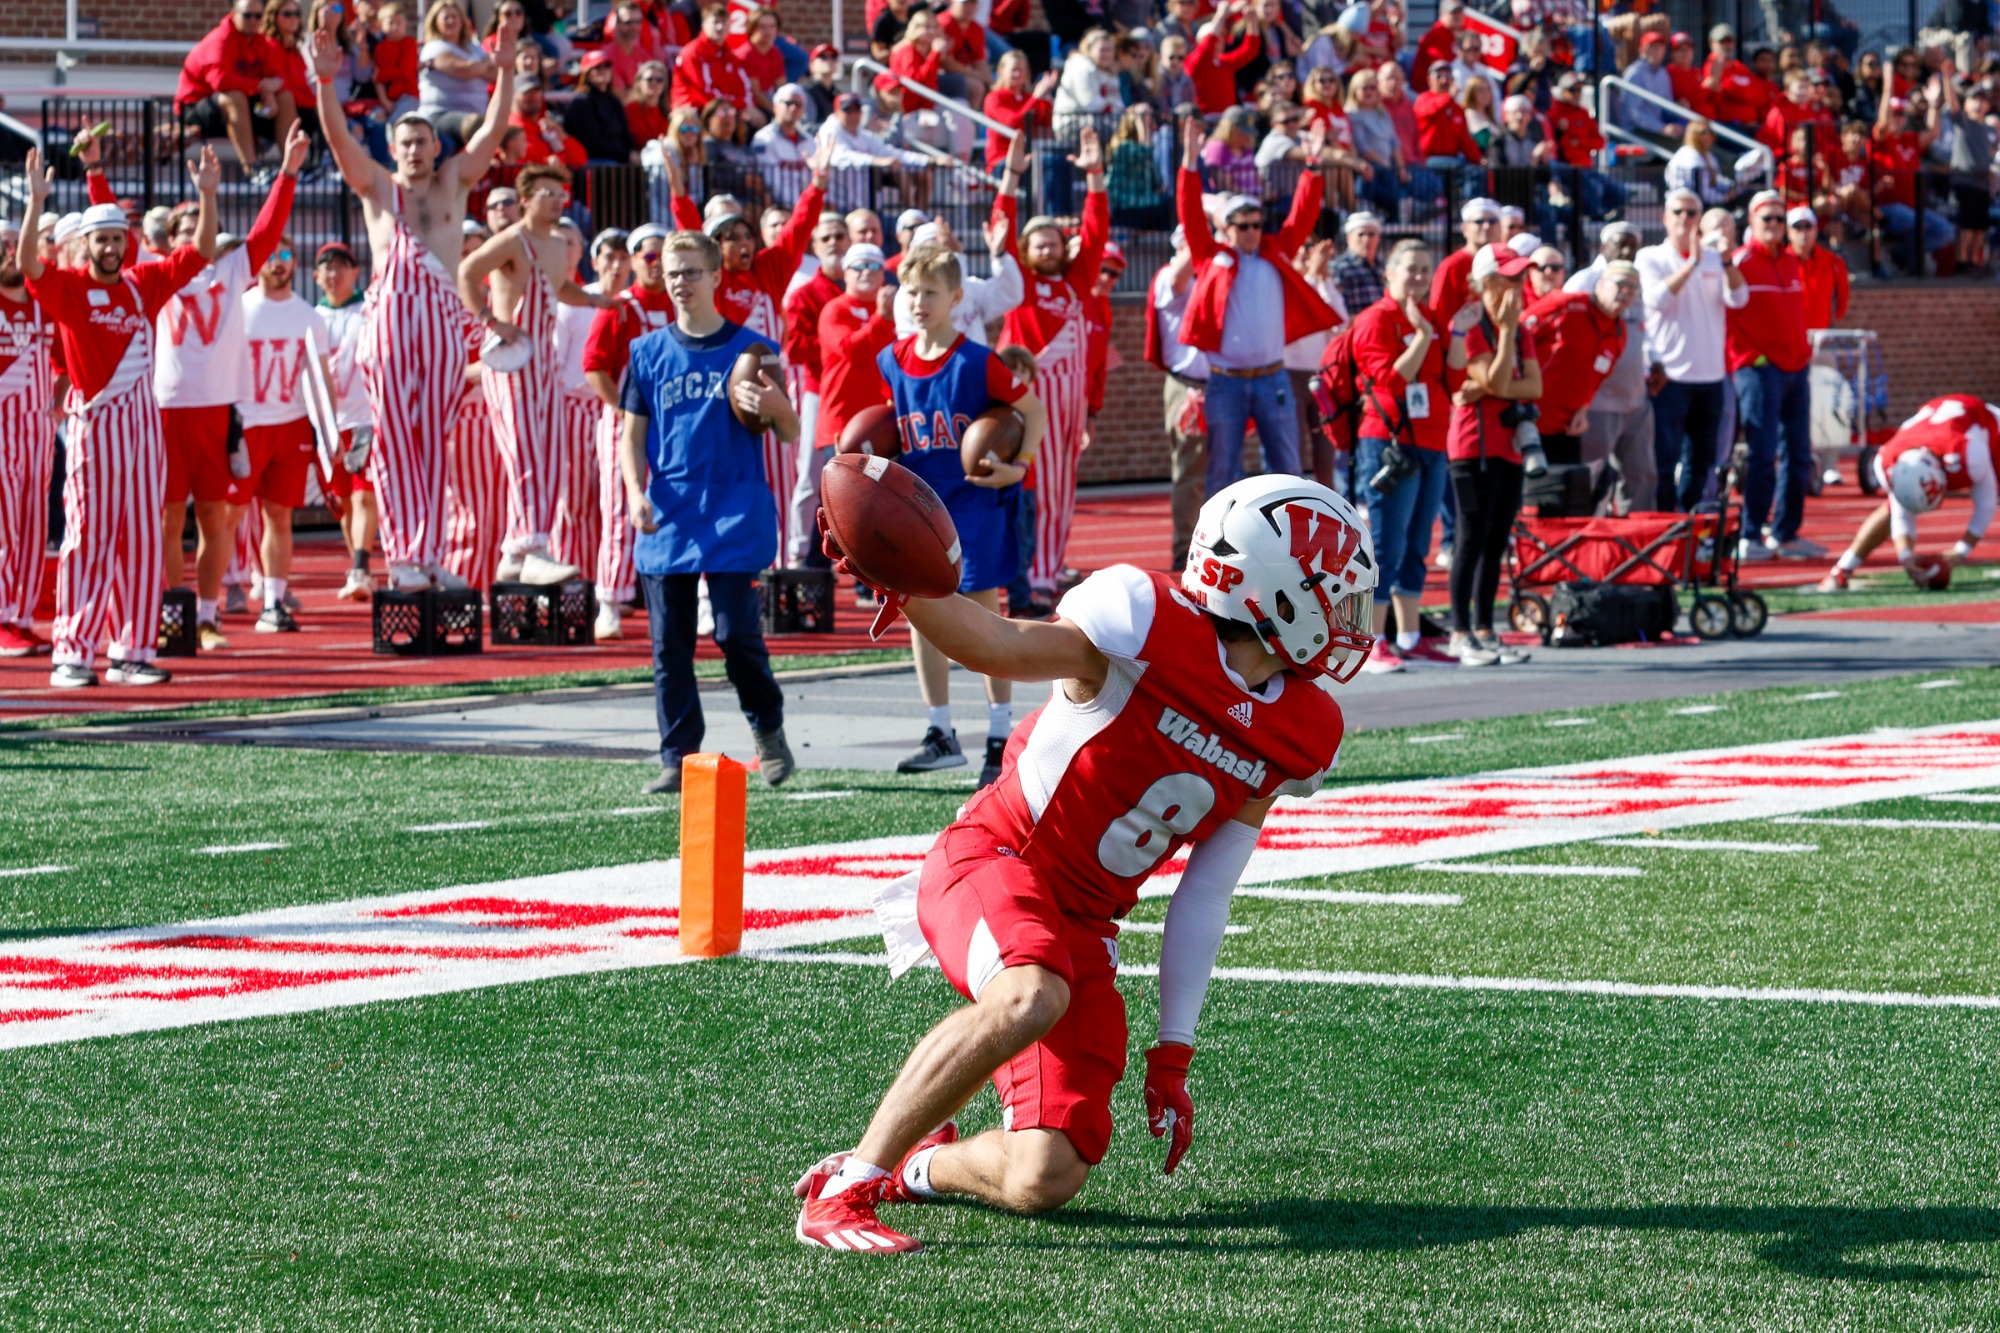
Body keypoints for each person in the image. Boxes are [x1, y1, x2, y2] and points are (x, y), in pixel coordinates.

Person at [795, 472, 1374, 1254]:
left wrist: (1174, 1047)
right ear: (1276, 592)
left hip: (1087, 924)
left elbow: (1206, 892)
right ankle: (846, 1189)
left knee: (1047, 1173)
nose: (1348, 617)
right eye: (1334, 595)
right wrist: (904, 583)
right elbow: (1001, 643)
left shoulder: (1301, 727)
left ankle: (915, 1166)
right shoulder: (1144, 620)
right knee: (1031, 993)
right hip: (999, 856)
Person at [312, 25, 516, 592]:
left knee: (433, 442)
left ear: (435, 146)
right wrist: (326, 83)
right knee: (397, 439)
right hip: (394, 322)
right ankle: (403, 556)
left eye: (421, 141)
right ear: (393, 149)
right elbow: (339, 142)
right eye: (404, 142)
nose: (412, 150)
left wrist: (503, 71)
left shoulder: (453, 182)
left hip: (443, 322)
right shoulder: (379, 189)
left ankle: (427, 554)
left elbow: (493, 130)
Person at [19, 147, 221, 688]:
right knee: (88, 539)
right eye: (100, 240)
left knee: (143, 541)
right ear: (85, 245)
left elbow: (201, 251)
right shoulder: (70, 288)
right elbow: (29, 266)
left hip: (143, 431)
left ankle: (131, 651)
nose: (109, 248)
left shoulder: (142, 283)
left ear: (126, 243)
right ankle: (72, 653)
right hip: (95, 430)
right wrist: (36, 203)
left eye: (116, 239)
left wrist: (206, 193)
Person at [619, 229, 797, 796]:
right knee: (669, 646)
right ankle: (677, 755)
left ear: (717, 276)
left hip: (734, 507)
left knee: (734, 633)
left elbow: (789, 431)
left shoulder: (753, 349)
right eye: (672, 273)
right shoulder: (646, 352)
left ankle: (768, 729)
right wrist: (634, 491)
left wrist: (777, 406)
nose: (680, 282)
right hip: (670, 508)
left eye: (692, 271)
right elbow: (631, 435)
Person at [878, 247, 1049, 783]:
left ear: (956, 297)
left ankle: (1000, 735)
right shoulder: (891, 359)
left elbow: (1033, 410)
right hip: (918, 506)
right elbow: (885, 430)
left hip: (973, 503)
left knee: (983, 617)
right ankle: (939, 731)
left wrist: (1019, 466)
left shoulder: (976, 360)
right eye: (911, 291)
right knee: (919, 614)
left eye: (930, 292)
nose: (918, 301)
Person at [129, 127, 302, 649]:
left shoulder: (233, 267)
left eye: (201, 226)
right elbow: (113, 233)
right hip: (165, 408)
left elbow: (269, 230)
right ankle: (169, 612)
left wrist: (288, 173)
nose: (193, 235)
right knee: (166, 517)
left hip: (216, 410)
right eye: (183, 229)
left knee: (214, 517)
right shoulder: (155, 272)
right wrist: (93, 172)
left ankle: (206, 618)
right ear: (169, 240)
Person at [663, 140, 832, 563]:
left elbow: (797, 230)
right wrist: (679, 191)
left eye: (745, 234)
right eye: (729, 236)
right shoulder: (711, 281)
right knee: (719, 486)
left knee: (777, 482)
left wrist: (818, 182)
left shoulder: (769, 271)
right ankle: (715, 572)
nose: (742, 242)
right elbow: (689, 233)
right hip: (720, 399)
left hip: (770, 396)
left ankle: (776, 569)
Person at [457, 162, 611, 584]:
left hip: (545, 361)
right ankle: (530, 547)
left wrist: (596, 301)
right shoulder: (512, 240)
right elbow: (467, 273)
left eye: (561, 193)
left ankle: (518, 549)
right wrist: (491, 321)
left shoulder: (557, 243)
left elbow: (560, 288)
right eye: (548, 193)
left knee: (549, 456)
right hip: (512, 362)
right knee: (525, 453)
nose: (558, 200)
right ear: (525, 200)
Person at [1174, 114, 1340, 499]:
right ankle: (1219, 536)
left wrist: (1313, 167)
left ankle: (1288, 535)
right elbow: (1190, 214)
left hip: (1273, 377)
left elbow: (1302, 216)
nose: (1251, 231)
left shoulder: (1274, 251)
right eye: (1242, 225)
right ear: (1226, 227)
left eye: (1256, 223)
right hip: (1225, 380)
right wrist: (1189, 164)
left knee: (1288, 470)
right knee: (1222, 470)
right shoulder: (1209, 257)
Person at [1000, 127, 1108, 610]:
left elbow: (1097, 231)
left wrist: (1095, 176)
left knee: (1061, 491)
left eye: (1054, 243)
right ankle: (1029, 573)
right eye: (1038, 245)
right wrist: (1011, 177)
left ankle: (1047, 569)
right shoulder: (1020, 285)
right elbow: (1002, 234)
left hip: (1070, 402)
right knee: (1033, 487)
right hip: (1032, 397)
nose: (1047, 250)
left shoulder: (1077, 281)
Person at [1349, 238, 1468, 674]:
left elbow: (1455, 379)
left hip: (1433, 439)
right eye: (1410, 268)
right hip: (1390, 443)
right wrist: (1420, 337)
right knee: (1387, 543)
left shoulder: (1431, 317)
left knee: (1418, 543)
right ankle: (1371, 641)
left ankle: (1410, 637)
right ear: (1389, 273)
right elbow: (1390, 380)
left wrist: (1456, 333)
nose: (1418, 276)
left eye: (1424, 270)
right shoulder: (1376, 319)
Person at [1446, 244, 1541, 667]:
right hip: (1473, 447)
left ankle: (1485, 628)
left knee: (1497, 538)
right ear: (1487, 281)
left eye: (1522, 276)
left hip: (1509, 447)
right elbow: (1502, 382)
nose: (1520, 284)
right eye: (1512, 277)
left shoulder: (1521, 328)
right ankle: (1459, 632)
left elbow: (1533, 386)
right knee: (1470, 537)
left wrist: (1487, 385)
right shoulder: (1473, 323)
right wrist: (1503, 337)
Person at [579, 223, 674, 640]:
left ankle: (673, 601)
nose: (656, 264)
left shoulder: (679, 305)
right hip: (624, 424)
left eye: (662, 256)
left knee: (672, 510)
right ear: (634, 260)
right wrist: (622, 410)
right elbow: (594, 366)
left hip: (671, 427)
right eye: (648, 256)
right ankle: (609, 603)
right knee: (620, 511)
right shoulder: (619, 305)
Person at [236, 234, 334, 632]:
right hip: (246, 423)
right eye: (271, 255)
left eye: (286, 254)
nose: (278, 262)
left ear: (295, 261)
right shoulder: (239, 309)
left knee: (279, 515)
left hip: (291, 424)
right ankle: (209, 608)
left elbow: (322, 378)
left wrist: (330, 434)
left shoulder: (309, 316)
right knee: (226, 515)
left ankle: (273, 602)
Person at [1638, 186, 1746, 514]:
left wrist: (1726, 261)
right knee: (1664, 459)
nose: (1684, 219)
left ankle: (1690, 523)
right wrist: (1692, 264)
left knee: (1702, 461)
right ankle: (1665, 524)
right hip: (1669, 377)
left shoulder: (1715, 258)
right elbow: (1655, 300)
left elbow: (1739, 298)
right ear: (1664, 218)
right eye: (1678, 212)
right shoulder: (1651, 257)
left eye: (1691, 213)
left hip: (1710, 377)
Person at [1817, 394, 1996, 590]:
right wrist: (1906, 557)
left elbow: (1987, 502)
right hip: (1932, 431)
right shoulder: (1887, 461)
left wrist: (1960, 551)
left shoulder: (1968, 455)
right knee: (1890, 509)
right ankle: (1843, 568)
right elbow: (1900, 512)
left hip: (1987, 427)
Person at [1728, 190, 1819, 561]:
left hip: (1796, 369)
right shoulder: (1741, 260)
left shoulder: (1791, 260)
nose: (1775, 225)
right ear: (1752, 220)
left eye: (1780, 219)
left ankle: (1785, 532)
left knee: (1799, 456)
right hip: (1760, 370)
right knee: (1762, 455)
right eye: (1767, 218)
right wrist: (1753, 358)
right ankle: (1750, 534)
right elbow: (1728, 313)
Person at [1564, 223, 1656, 513]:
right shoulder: (1583, 281)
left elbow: (1647, 329)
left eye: (1633, 245)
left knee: (1642, 476)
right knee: (1592, 478)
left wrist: (1655, 362)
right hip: (1597, 402)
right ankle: (1587, 534)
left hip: (1635, 399)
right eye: (1620, 243)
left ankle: (1639, 538)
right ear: (1603, 246)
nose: (1626, 250)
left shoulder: (1638, 280)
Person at [0, 221, 56, 658]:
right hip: (2, 428)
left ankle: (21, 616)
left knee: (33, 526)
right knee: (4, 527)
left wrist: (59, 401)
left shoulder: (45, 305)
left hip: (39, 428)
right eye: (3, 245)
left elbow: (67, 360)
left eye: (17, 244)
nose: (10, 252)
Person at [313, 242, 379, 603]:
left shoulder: (368, 311)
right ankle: (360, 569)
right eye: (327, 267)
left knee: (364, 494)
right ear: (316, 276)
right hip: (328, 423)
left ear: (355, 273)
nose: (334, 274)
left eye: (341, 266)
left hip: (364, 417)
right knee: (343, 502)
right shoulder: (311, 317)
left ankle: (360, 566)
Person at [1522, 264, 1636, 467]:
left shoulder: (1619, 332)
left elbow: (1597, 377)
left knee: (1569, 486)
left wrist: (1584, 408)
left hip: (1566, 429)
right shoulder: (1566, 304)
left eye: (1633, 288)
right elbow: (1518, 336)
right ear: (1600, 284)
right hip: (1527, 420)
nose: (1625, 292)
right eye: (1620, 284)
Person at [1143, 227, 1210, 571]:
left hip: (1223, 385)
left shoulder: (1215, 272)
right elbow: (1178, 276)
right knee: (1190, 472)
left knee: (1224, 472)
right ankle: (1187, 553)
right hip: (1188, 386)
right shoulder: (1169, 276)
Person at [178, 0, 298, 176]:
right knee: (234, 97)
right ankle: (252, 169)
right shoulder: (220, 40)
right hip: (198, 109)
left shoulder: (260, 41)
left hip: (243, 106)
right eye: (247, 15)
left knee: (285, 97)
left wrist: (273, 89)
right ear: (234, 13)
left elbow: (279, 75)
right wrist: (260, 87)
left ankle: (291, 167)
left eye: (258, 16)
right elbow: (221, 81)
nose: (253, 20)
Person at [417, 0, 498, 146]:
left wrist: (478, 67)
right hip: (440, 115)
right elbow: (465, 70)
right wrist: (488, 61)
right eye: (446, 18)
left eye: (454, 17)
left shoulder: (473, 48)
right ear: (436, 22)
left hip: (478, 113)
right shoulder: (433, 47)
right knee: (475, 125)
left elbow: (495, 74)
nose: (451, 21)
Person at [566, 49, 639, 164]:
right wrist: (625, 155)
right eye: (597, 67)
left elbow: (626, 135)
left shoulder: (614, 101)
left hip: (617, 158)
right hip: (593, 161)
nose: (603, 70)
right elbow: (591, 144)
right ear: (586, 73)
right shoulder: (580, 103)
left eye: (607, 66)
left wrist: (633, 152)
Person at [1789, 205, 1847, 330]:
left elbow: (1842, 299)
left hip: (1822, 334)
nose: (1803, 232)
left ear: (1815, 229)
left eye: (1808, 226)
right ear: (1789, 231)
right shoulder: (1780, 262)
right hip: (1789, 335)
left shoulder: (1832, 261)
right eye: (1797, 227)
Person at [1330, 210, 1387, 315]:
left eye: (1371, 234)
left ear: (1378, 238)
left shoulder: (1385, 267)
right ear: (1349, 238)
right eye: (1360, 234)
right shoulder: (1338, 268)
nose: (1366, 239)